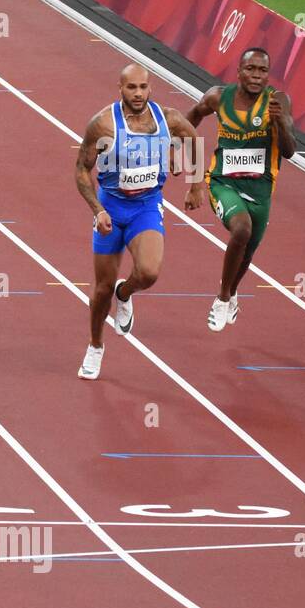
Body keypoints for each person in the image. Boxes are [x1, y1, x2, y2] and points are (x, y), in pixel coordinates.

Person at [74, 64, 197, 379]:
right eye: (132, 88)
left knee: (149, 273)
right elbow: (81, 171)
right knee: (101, 289)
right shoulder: (103, 125)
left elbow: (191, 135)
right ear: (120, 88)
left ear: (150, 88)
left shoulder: (166, 119)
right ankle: (95, 346)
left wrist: (196, 182)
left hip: (146, 206)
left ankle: (125, 293)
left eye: (143, 87)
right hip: (111, 209)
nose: (139, 94)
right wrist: (96, 209)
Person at [184, 48, 295, 331]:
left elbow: (290, 151)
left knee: (246, 256)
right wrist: (180, 157)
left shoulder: (278, 101)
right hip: (223, 181)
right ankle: (221, 299)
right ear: (239, 71)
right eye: (251, 69)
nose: (256, 76)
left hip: (260, 189)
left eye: (262, 71)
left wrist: (280, 122)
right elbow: (190, 121)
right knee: (241, 230)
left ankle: (232, 292)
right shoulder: (218, 97)